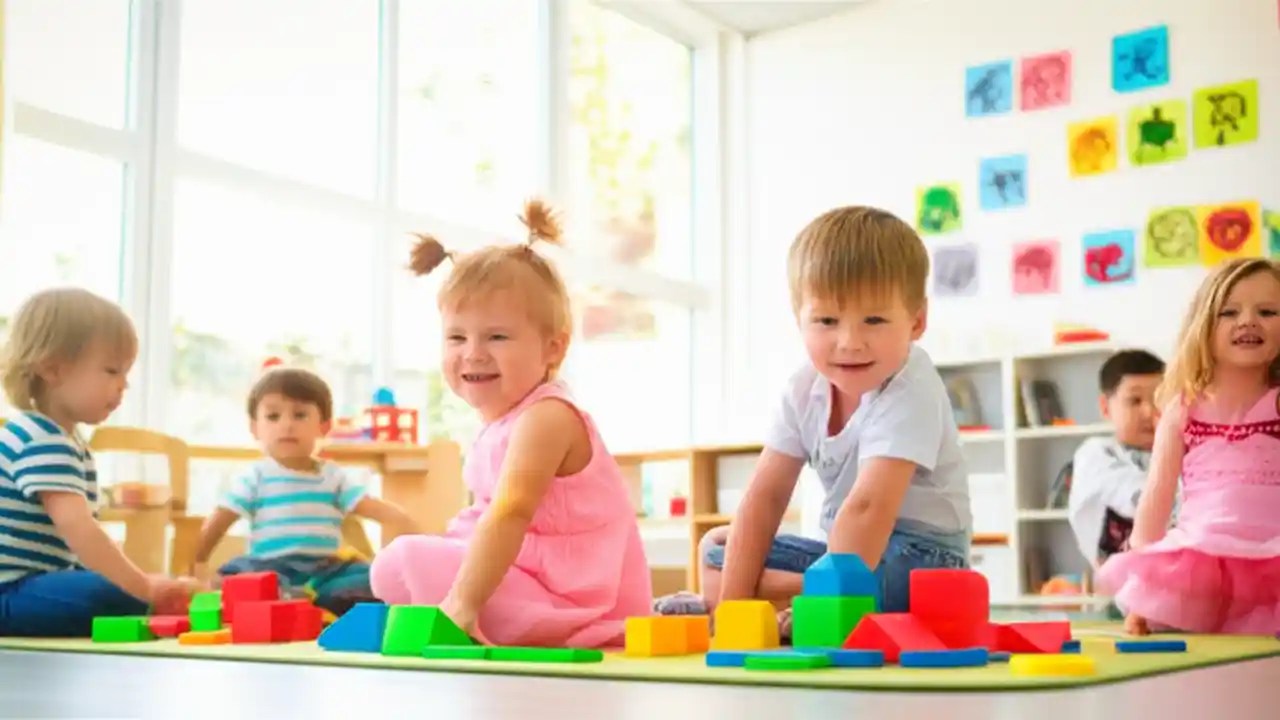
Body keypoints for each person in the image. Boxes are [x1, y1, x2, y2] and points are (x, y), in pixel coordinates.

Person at [660, 206, 972, 628]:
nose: (849, 342)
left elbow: (867, 509)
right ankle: (743, 603)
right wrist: (733, 618)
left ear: (916, 322)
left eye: (874, 320)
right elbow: (764, 497)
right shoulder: (803, 390)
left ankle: (797, 605)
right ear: (799, 320)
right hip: (846, 550)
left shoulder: (911, 386)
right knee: (717, 546)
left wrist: (826, 610)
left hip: (925, 560)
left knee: (883, 572)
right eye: (826, 320)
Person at [369, 199, 653, 648]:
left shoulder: (547, 417)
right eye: (457, 337)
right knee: (392, 566)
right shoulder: (495, 425)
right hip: (527, 582)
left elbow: (509, 512)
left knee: (405, 559)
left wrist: (461, 601)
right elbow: (483, 522)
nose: (473, 353)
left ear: (553, 349)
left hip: (575, 605)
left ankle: (470, 618)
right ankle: (465, 616)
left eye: (497, 337)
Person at [0, 288, 199, 636]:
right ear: (53, 369)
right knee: (110, 592)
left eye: (125, 374)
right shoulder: (42, 439)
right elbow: (80, 531)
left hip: (27, 585)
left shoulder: (58, 437)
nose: (124, 386)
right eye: (111, 371)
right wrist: (143, 587)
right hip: (9, 591)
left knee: (111, 586)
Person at [1098, 258, 1280, 635]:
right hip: (1198, 566)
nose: (1248, 320)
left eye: (1267, 311)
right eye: (1229, 312)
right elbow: (1156, 501)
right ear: (1203, 326)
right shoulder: (1182, 408)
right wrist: (1141, 594)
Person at [192, 366, 418, 615]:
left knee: (372, 577)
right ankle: (296, 601)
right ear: (254, 428)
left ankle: (307, 602)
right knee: (237, 579)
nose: (287, 425)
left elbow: (377, 509)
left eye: (300, 415)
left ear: (323, 426)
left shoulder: (333, 476)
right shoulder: (255, 476)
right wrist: (198, 561)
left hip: (324, 571)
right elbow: (221, 519)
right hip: (268, 568)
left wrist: (409, 527)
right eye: (273, 417)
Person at [1068, 350, 1165, 567]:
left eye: (1160, 399)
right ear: (1105, 407)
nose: (1149, 412)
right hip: (1124, 591)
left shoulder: (1185, 453)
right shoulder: (1096, 454)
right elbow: (1131, 494)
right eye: (1134, 400)